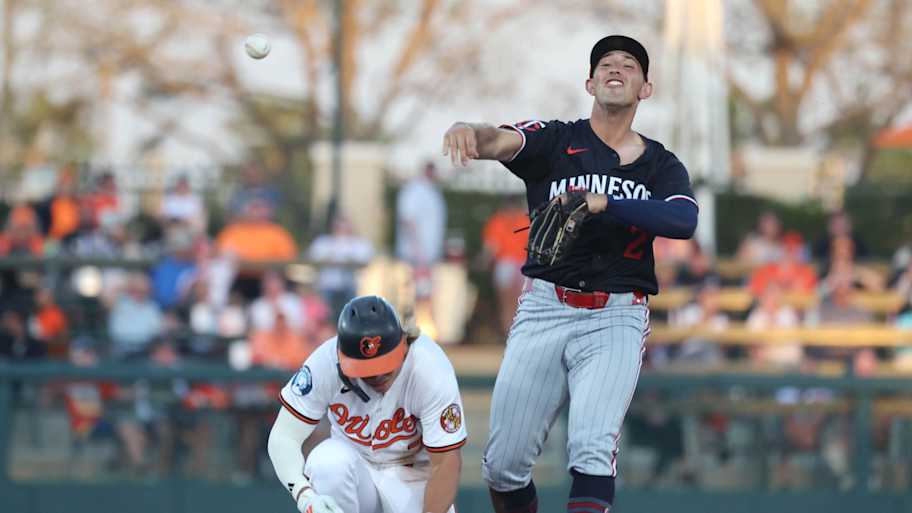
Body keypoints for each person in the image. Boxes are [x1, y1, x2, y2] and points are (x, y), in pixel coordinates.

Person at [442, 35, 697, 513]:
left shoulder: (660, 164)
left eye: (629, 64)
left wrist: (606, 203)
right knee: (503, 465)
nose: (616, 68)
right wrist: (467, 130)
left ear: (645, 88)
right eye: (605, 63)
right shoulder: (557, 141)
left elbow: (683, 220)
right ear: (590, 82)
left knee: (592, 451)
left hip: (616, 316)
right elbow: (499, 139)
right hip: (545, 306)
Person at [267, 295, 467, 513]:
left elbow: (446, 462)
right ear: (341, 357)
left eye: (385, 364)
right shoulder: (325, 361)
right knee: (326, 463)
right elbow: (284, 437)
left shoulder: (429, 366)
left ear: (404, 344)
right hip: (355, 470)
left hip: (414, 477)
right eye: (367, 370)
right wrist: (304, 496)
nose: (378, 374)